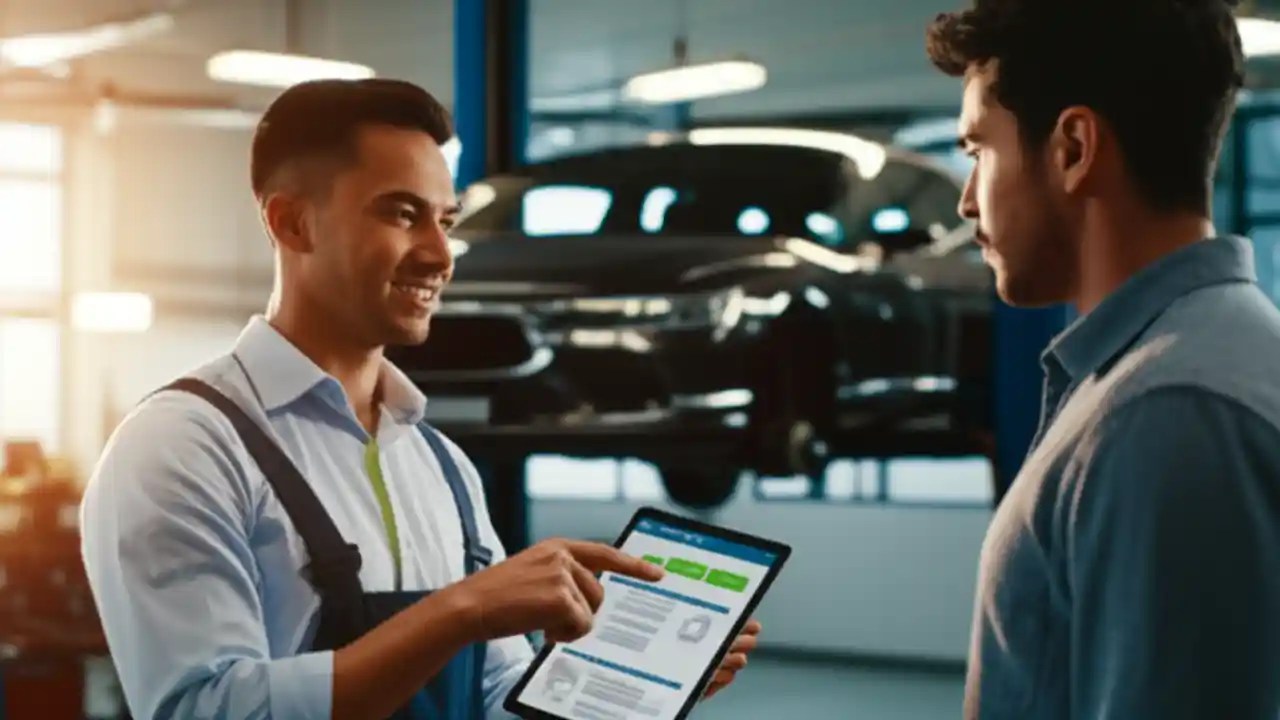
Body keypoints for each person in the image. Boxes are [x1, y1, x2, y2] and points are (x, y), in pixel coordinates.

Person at [79, 79, 761, 720]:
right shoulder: (183, 447)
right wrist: (460, 610)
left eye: (447, 220)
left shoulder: (442, 467)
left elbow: (494, 696)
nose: (441, 254)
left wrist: (611, 678)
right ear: (291, 224)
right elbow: (203, 708)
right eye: (402, 215)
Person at [925, 1, 1280, 718]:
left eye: (977, 152)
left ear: (1073, 148)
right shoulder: (1174, 368)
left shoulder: (1171, 412)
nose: (966, 201)